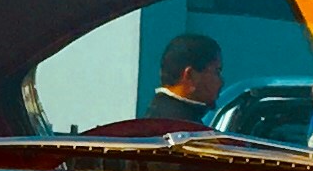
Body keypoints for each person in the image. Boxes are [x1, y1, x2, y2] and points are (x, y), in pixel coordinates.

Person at [83, 30, 225, 140]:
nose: (221, 81)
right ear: (190, 75)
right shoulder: (184, 133)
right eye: (217, 71)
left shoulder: (156, 118)